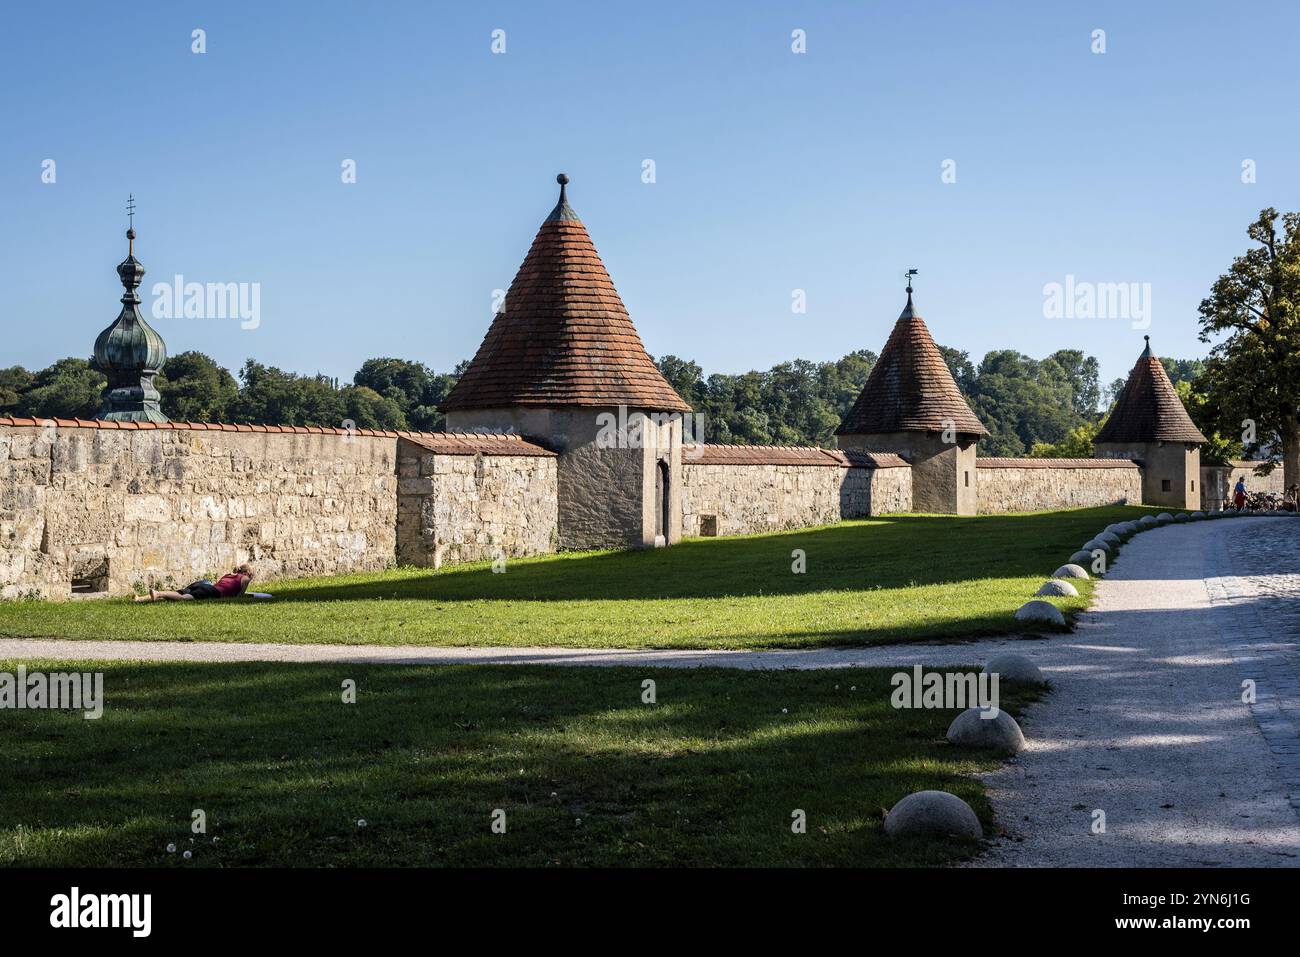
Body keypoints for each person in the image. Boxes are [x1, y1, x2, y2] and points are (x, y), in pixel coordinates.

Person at [135, 564, 254, 603]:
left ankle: (140, 598)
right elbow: (239, 597)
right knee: (182, 598)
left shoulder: (228, 575)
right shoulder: (245, 578)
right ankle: (158, 594)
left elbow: (226, 586)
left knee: (176, 593)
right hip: (212, 591)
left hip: (206, 586)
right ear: (248, 573)